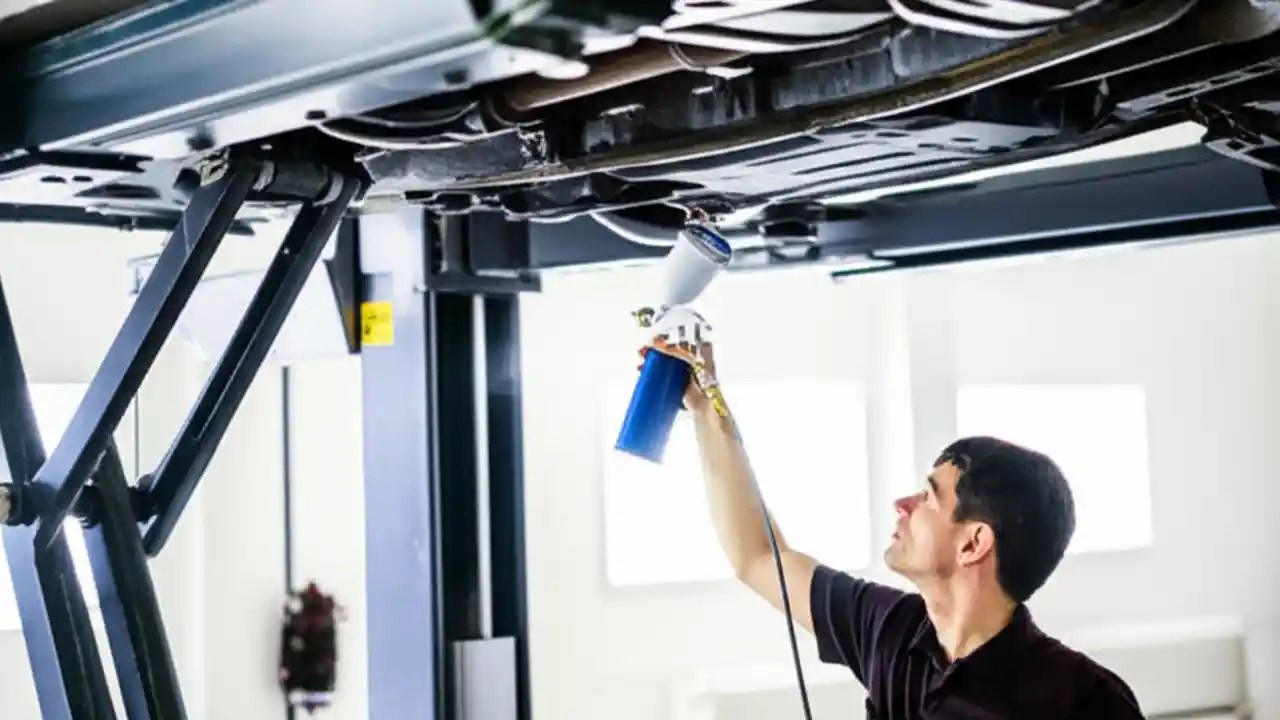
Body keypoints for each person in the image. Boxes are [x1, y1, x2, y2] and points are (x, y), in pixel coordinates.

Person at [643, 338, 1146, 719]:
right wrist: (707, 407)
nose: (902, 504)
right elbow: (757, 557)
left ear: (974, 543)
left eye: (927, 497)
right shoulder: (893, 629)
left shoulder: (1084, 701)